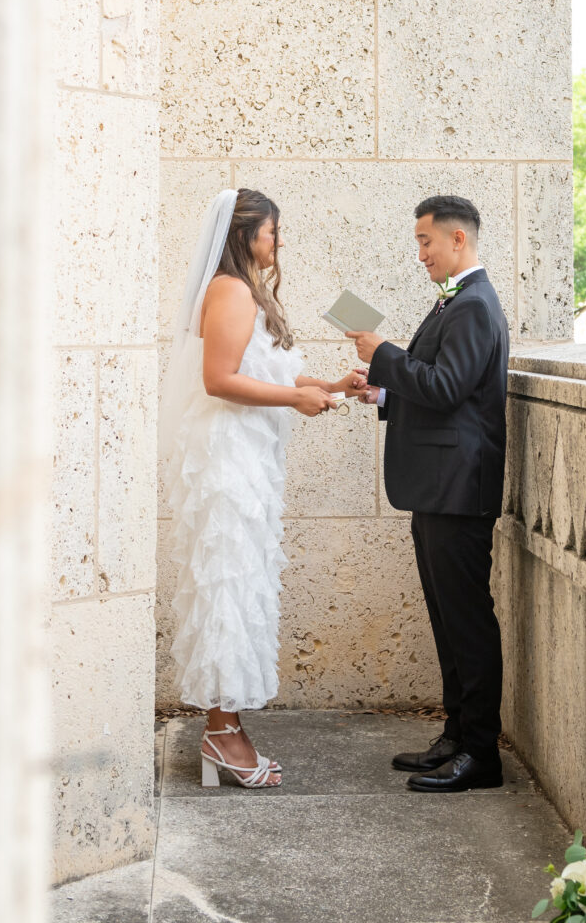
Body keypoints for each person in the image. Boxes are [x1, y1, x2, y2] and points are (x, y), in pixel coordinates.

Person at [161, 187, 366, 788]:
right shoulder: (228, 290)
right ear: (245, 233)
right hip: (226, 465)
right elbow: (220, 379)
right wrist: (296, 399)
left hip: (246, 461)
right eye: (271, 231)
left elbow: (264, 372)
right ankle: (222, 733)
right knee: (227, 582)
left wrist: (329, 384)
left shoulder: (247, 293)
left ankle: (226, 728)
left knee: (242, 581)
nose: (279, 241)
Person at [345, 194, 510, 792]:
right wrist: (384, 391)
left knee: (467, 620)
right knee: (445, 616)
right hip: (437, 486)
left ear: (458, 240)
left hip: (459, 488)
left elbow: (444, 387)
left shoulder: (473, 305)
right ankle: (456, 734)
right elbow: (447, 391)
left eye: (426, 242)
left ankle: (481, 755)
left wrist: (383, 354)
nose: (420, 254)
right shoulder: (458, 303)